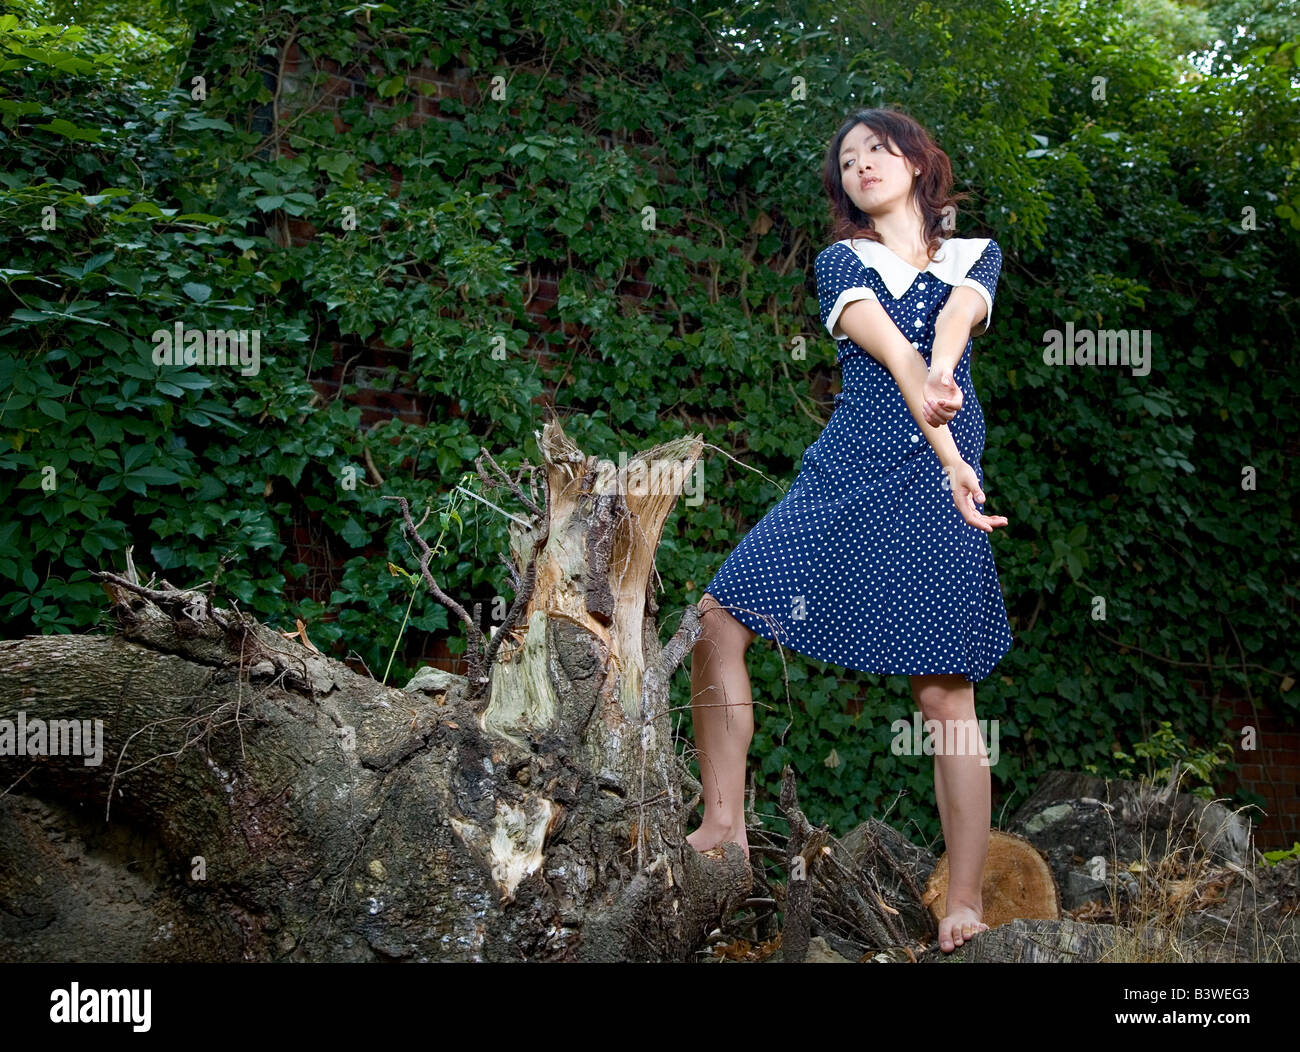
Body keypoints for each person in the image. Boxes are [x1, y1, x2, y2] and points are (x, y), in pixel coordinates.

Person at [687, 107, 1014, 954]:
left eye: (878, 147)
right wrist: (928, 384)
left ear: (915, 160)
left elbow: (949, 327)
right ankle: (721, 824)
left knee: (946, 696)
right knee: (721, 616)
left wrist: (948, 428)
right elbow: (895, 354)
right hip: (852, 467)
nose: (862, 161)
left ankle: (964, 903)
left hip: (942, 472)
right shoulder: (843, 262)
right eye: (848, 157)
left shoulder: (977, 254)